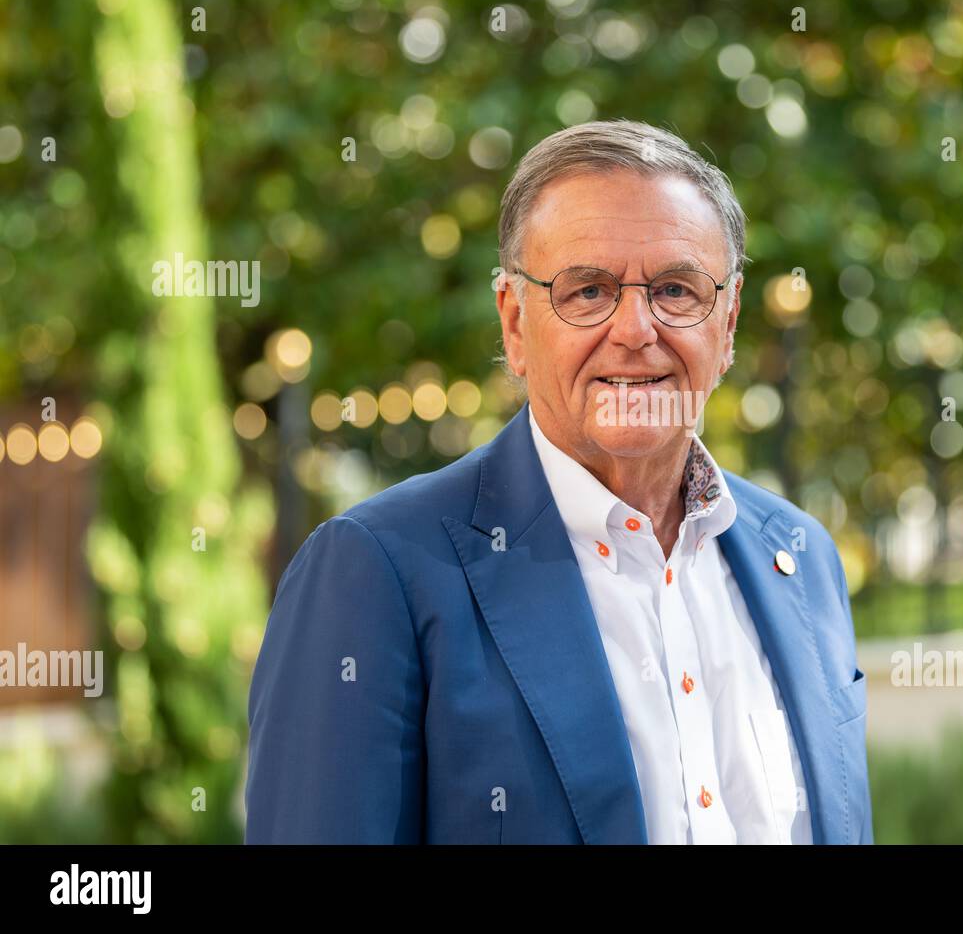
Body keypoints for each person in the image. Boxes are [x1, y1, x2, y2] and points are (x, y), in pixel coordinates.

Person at [245, 119, 871, 844]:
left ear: (727, 324)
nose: (636, 329)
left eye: (675, 289)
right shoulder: (378, 570)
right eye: (588, 291)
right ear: (515, 323)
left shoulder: (803, 556)